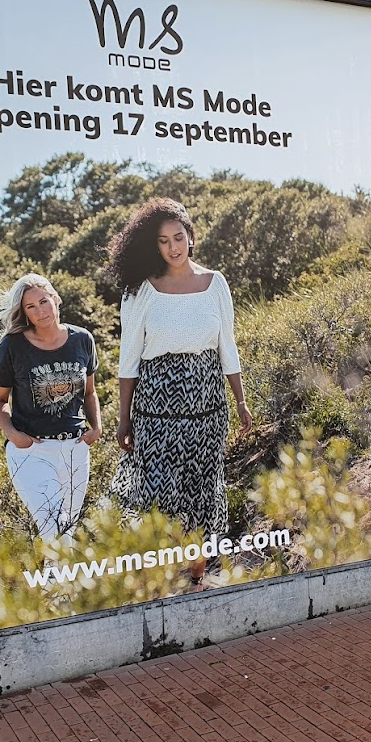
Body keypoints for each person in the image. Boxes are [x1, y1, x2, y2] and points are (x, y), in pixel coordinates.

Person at [107, 197, 253, 541]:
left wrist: (241, 402)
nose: (173, 248)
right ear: (154, 246)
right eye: (163, 241)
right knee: (158, 501)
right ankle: (165, 567)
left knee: (203, 495)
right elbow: (129, 360)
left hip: (208, 407)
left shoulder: (216, 283)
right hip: (155, 411)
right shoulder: (139, 291)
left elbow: (227, 347)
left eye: (178, 237)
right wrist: (124, 418)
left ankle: (199, 569)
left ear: (190, 236)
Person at [0, 273, 102, 543]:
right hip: (32, 451)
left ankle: (56, 573)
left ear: (55, 299)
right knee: (55, 527)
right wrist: (13, 435)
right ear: (24, 312)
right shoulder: (13, 346)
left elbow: (89, 392)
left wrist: (96, 427)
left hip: (75, 449)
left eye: (43, 302)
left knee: (66, 532)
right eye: (31, 306)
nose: (40, 311)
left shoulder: (82, 339)